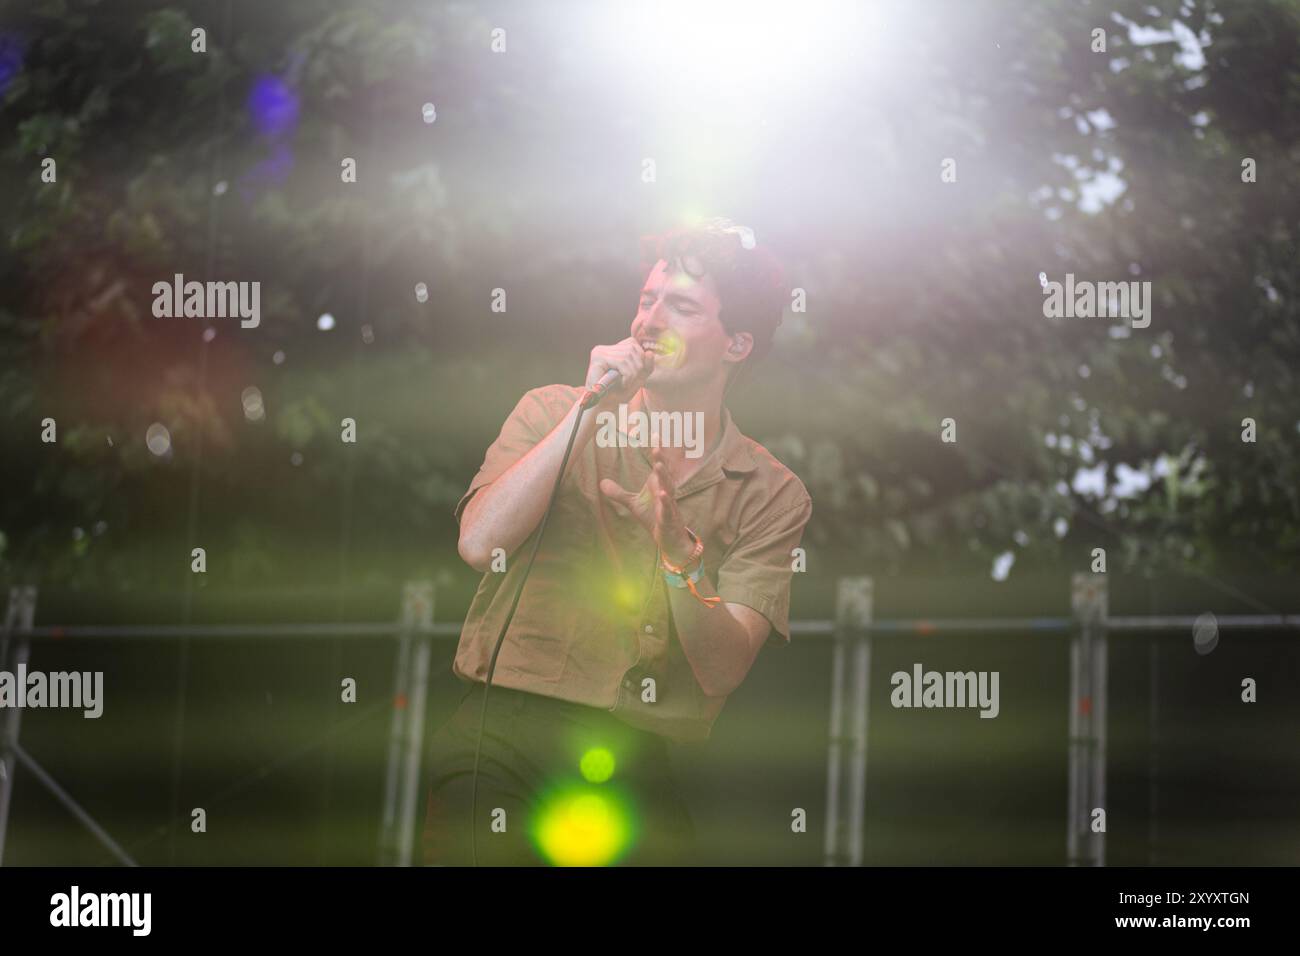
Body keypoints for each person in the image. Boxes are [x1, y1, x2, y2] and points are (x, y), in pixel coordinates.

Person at [421, 218, 812, 866]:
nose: (648, 321)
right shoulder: (553, 411)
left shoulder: (772, 491)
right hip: (505, 732)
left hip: (641, 754)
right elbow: (478, 543)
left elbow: (723, 668)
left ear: (738, 342)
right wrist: (590, 410)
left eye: (681, 306)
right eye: (646, 299)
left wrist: (682, 561)